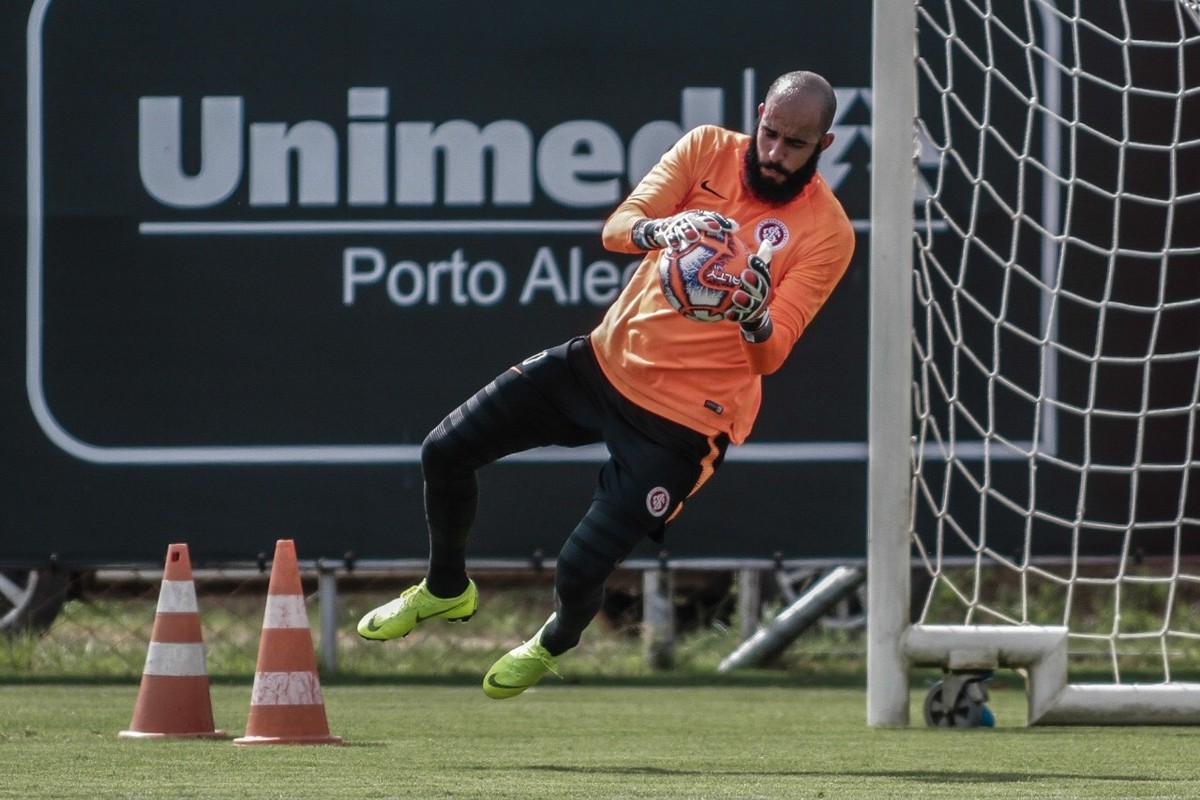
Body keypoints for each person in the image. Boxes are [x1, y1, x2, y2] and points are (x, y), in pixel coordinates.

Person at [357, 70, 856, 699]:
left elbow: (772, 355)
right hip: (602, 364)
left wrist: (754, 315)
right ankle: (446, 591)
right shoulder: (706, 148)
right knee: (445, 451)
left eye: (795, 145)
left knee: (581, 566)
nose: (775, 154)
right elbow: (618, 226)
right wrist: (661, 230)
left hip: (685, 425)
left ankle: (554, 642)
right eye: (770, 134)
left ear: (825, 145)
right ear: (758, 116)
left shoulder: (828, 232)